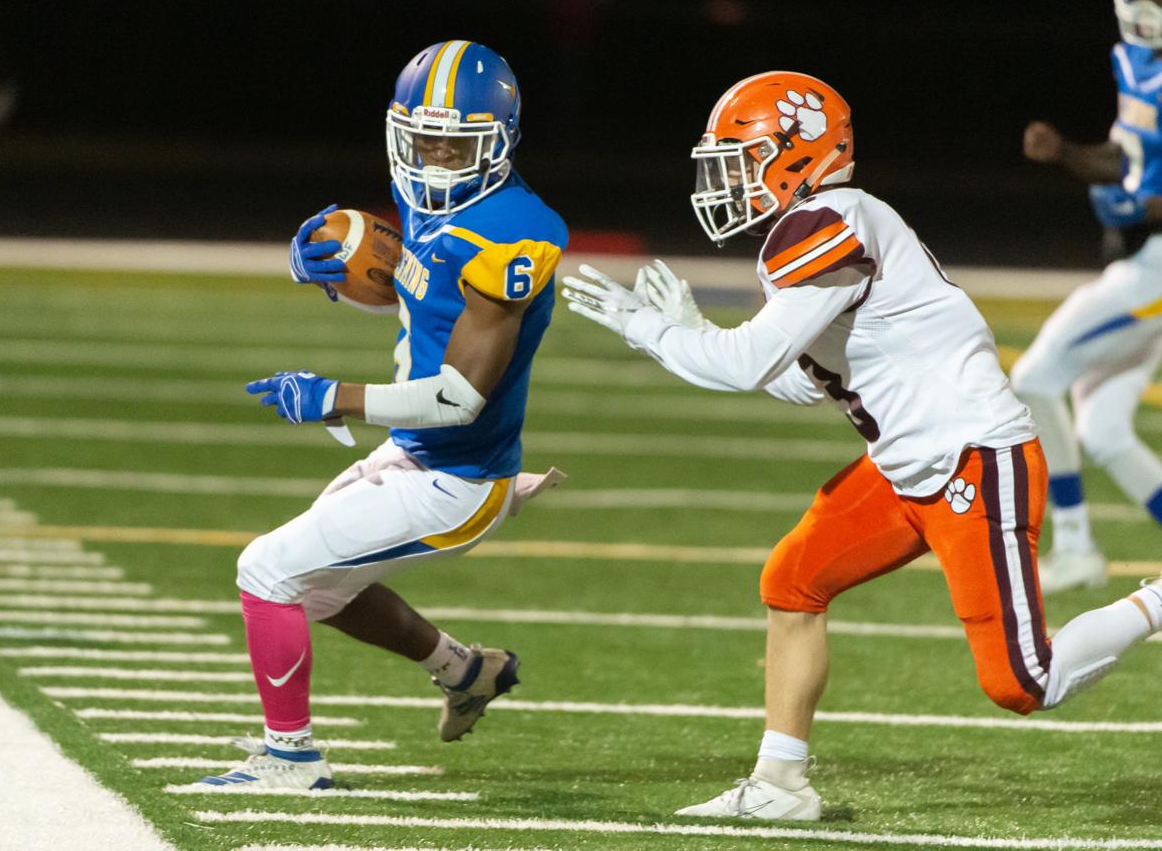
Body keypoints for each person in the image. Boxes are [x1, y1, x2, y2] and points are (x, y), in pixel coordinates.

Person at [562, 70, 1162, 821]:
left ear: (797, 154)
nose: (727, 182)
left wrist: (654, 332)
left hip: (975, 456)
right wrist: (695, 336)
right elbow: (796, 381)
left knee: (1023, 682)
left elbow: (748, 365)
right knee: (793, 581)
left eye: (741, 161)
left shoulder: (831, 221)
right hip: (907, 464)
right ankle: (781, 784)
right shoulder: (809, 230)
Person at [200, 40, 568, 790]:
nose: (434, 160)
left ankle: (290, 759)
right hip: (416, 454)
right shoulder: (432, 197)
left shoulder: (515, 234)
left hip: (456, 479)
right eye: (421, 139)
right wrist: (350, 270)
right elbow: (424, 296)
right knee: (319, 585)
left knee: (267, 569)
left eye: (455, 144)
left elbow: (460, 396)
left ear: (499, 142)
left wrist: (336, 397)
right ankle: (465, 670)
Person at [1011, 0, 1162, 594]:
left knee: (1033, 379)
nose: (1153, 10)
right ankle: (1075, 548)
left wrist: (1136, 206)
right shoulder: (1134, 60)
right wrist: (1070, 154)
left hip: (1152, 272)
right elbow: (1127, 157)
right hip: (1140, 262)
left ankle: (1074, 546)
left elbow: (1144, 195)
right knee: (1101, 429)